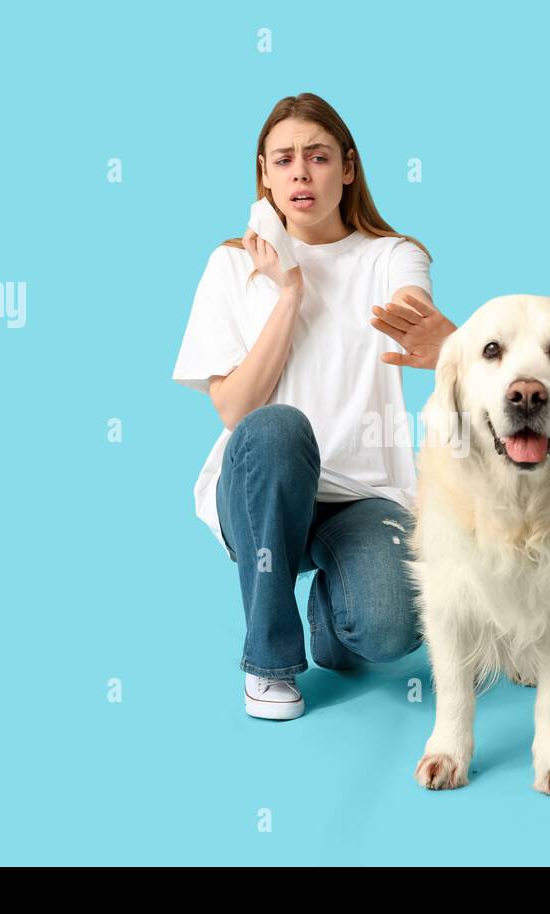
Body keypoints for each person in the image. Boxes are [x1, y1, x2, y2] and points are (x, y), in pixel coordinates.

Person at [173, 93, 456, 720]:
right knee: (277, 426)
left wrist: (449, 345)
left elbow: (415, 310)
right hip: (260, 490)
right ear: (265, 176)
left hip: (361, 495)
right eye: (285, 160)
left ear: (348, 169)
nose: (301, 173)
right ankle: (269, 664)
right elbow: (234, 409)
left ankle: (332, 621)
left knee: (390, 629)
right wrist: (289, 291)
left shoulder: (391, 255)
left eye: (318, 156)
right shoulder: (228, 266)